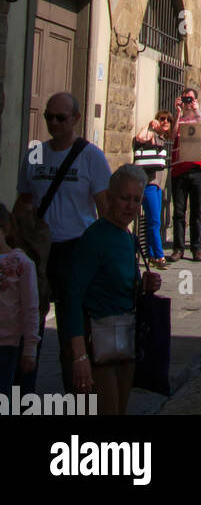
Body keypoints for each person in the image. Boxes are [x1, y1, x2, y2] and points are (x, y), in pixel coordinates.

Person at [13, 91, 111, 392]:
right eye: (48, 117)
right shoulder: (35, 155)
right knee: (30, 326)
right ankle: (21, 396)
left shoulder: (91, 156)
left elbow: (104, 209)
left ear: (76, 119)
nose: (53, 123)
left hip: (75, 249)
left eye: (60, 118)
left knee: (73, 330)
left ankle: (76, 398)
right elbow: (24, 202)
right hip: (39, 252)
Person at [66, 164, 162, 415]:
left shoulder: (127, 236)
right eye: (124, 198)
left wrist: (143, 286)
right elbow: (72, 298)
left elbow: (117, 284)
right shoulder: (94, 238)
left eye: (136, 199)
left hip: (124, 342)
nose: (130, 206)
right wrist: (79, 357)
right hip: (97, 345)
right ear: (109, 197)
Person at [167, 87, 201, 263]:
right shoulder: (179, 119)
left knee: (197, 212)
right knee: (178, 211)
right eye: (184, 99)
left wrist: (196, 111)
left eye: (190, 99)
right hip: (179, 169)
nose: (187, 102)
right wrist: (178, 114)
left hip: (199, 170)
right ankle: (178, 248)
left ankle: (197, 248)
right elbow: (172, 135)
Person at [0, 203, 39, 394]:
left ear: (5, 229)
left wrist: (30, 348)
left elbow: (30, 307)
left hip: (6, 345)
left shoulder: (22, 264)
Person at [132, 110, 171, 269]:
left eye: (168, 119)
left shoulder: (163, 138)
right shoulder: (151, 134)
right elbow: (139, 139)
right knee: (154, 220)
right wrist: (149, 124)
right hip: (148, 184)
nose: (165, 122)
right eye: (162, 119)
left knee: (154, 220)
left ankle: (152, 255)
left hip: (157, 185)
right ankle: (158, 256)